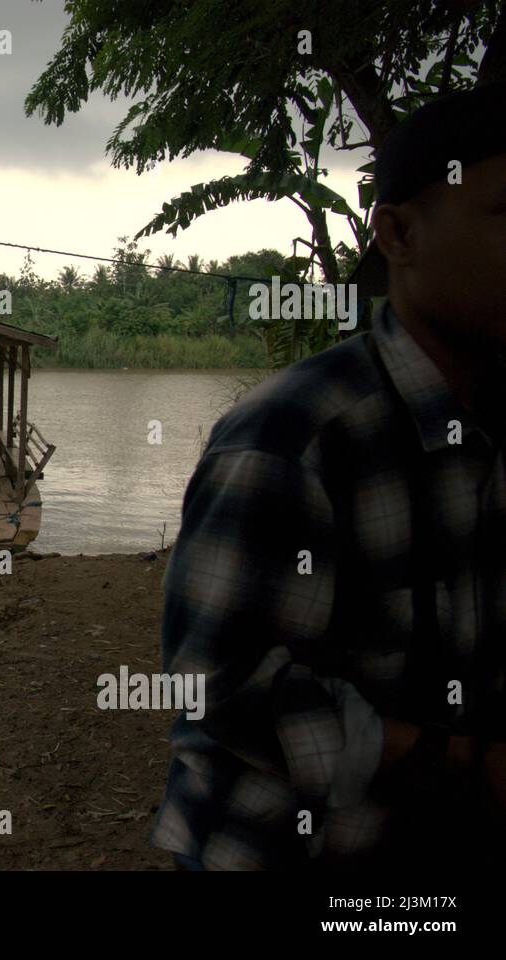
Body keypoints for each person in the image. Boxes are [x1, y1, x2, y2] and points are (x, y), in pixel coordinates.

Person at [151, 82, 506, 870]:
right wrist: (463, 760)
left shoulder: (489, 424)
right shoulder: (292, 439)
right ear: (398, 233)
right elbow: (218, 687)